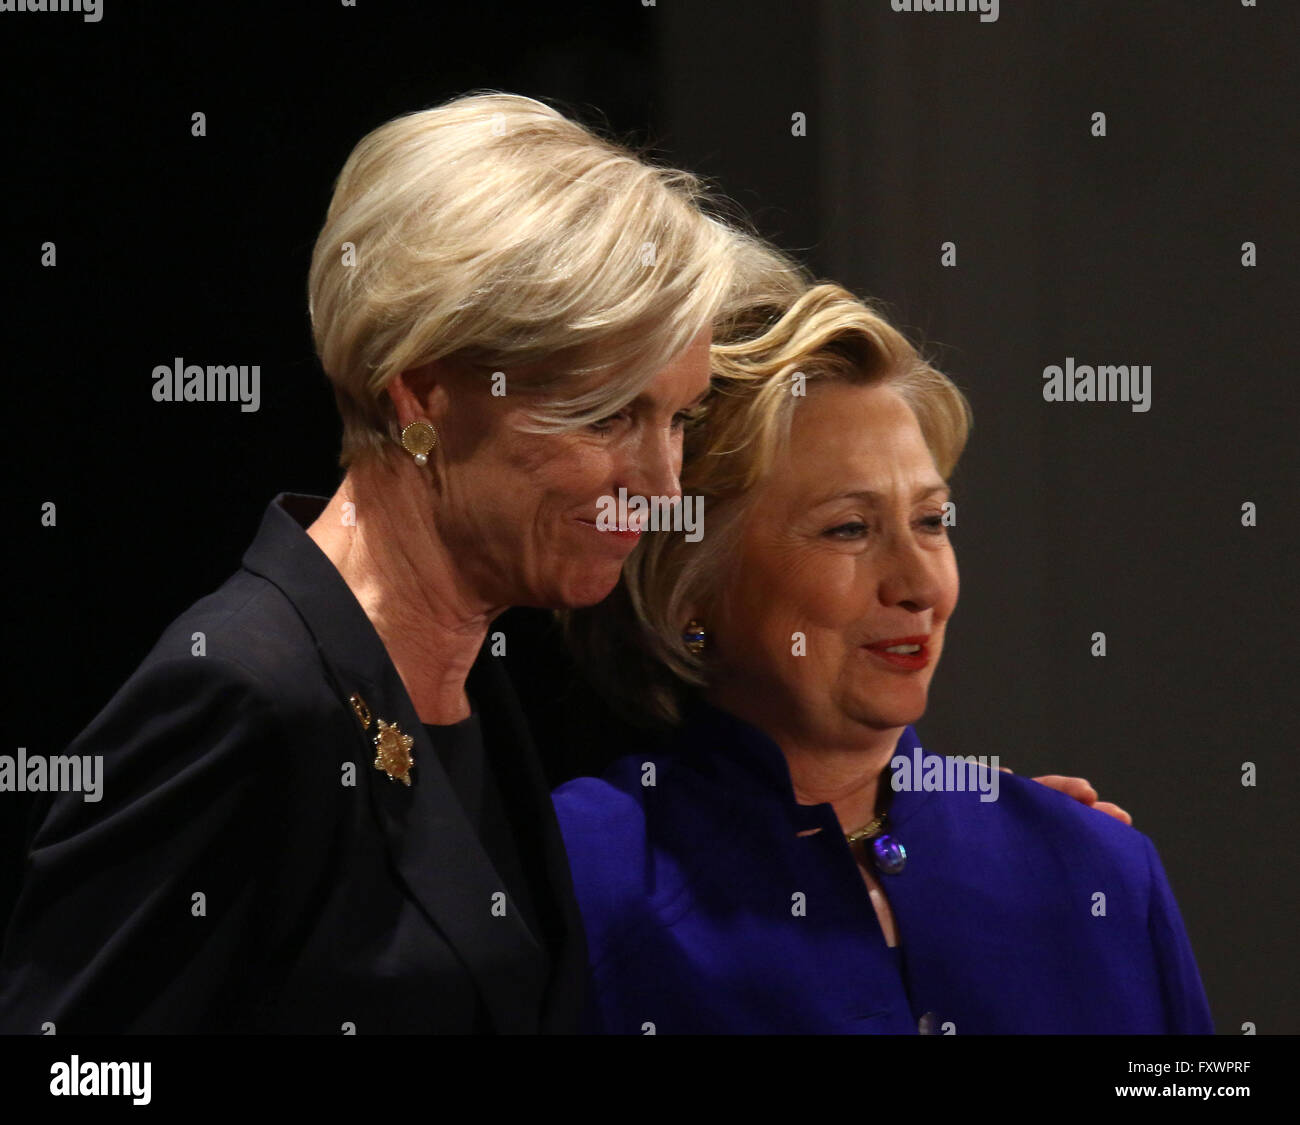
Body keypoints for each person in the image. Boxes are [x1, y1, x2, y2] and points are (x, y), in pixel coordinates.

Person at [0, 91, 804, 1034]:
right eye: (606, 416)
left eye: (678, 418)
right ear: (420, 398)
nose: (660, 487)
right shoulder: (242, 698)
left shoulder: (469, 688)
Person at [554, 283, 1214, 1034]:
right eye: (848, 529)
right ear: (687, 586)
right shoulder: (580, 871)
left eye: (931, 521)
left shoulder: (1098, 866)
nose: (922, 584)